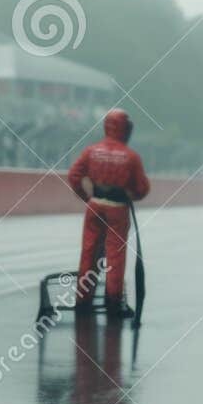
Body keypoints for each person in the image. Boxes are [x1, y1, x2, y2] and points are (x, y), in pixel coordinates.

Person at [66, 108, 150, 318]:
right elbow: (142, 189)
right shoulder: (131, 157)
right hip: (117, 210)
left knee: (89, 252)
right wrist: (128, 194)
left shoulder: (91, 151)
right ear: (126, 129)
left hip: (94, 206)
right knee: (115, 255)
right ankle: (113, 303)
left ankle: (82, 300)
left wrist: (87, 197)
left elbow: (74, 175)